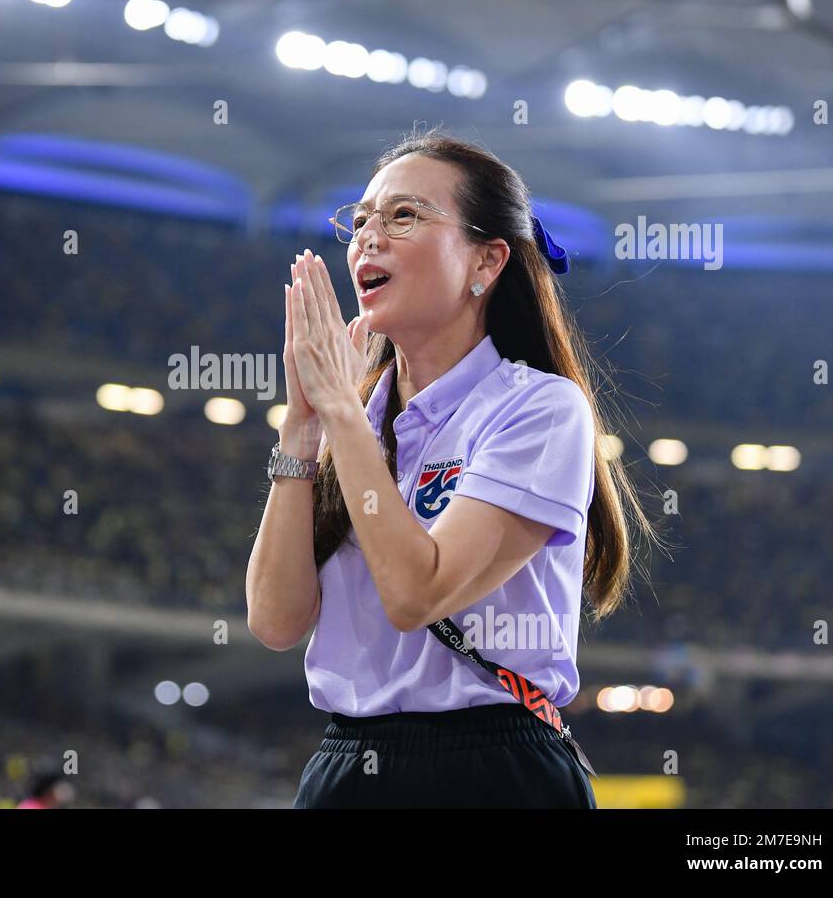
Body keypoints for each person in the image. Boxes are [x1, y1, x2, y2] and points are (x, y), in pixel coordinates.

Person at [246, 129, 662, 808]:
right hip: (345, 764)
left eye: (403, 215)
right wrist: (302, 424)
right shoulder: (351, 412)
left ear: (487, 261)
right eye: (360, 221)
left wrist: (342, 420)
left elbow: (418, 595)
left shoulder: (541, 409)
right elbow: (275, 620)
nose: (368, 237)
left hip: (493, 769)